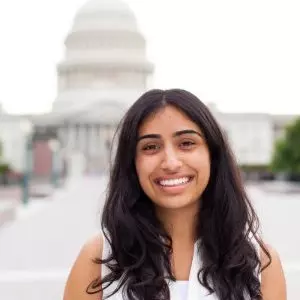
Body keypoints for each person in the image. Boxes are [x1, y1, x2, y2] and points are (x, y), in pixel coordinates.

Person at [63, 89, 286, 300]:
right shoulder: (99, 259)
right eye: (151, 147)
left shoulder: (260, 264)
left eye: (186, 143)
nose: (170, 163)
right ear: (133, 163)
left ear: (213, 155)